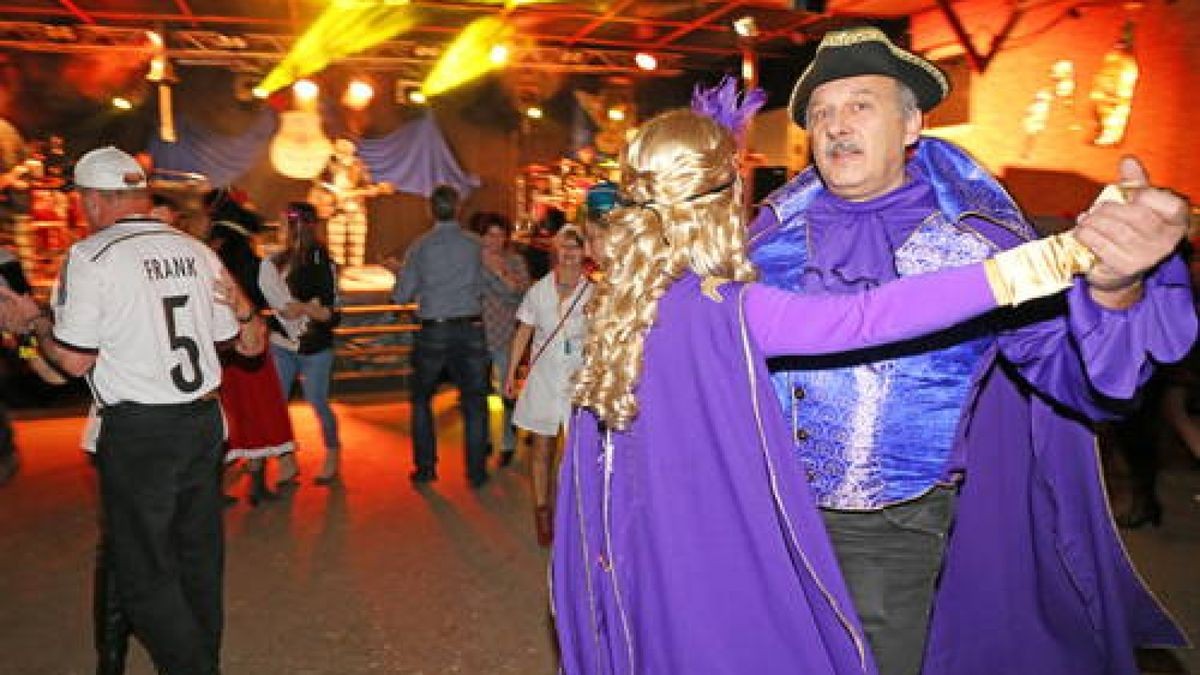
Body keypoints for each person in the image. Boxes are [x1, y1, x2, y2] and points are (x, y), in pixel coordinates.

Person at [553, 107, 1116, 675]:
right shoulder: (730, 309)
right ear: (724, 201)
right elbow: (866, 319)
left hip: (644, 557)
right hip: (719, 552)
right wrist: (1051, 258)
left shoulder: (618, 309)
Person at [749, 27, 1193, 675]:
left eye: (858, 105)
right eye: (820, 114)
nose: (835, 125)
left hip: (892, 528)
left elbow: (1073, 376)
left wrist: (1116, 287)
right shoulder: (764, 244)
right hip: (765, 511)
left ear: (911, 125)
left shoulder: (976, 245)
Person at [0, 146, 263, 675]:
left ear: (93, 200)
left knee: (142, 574)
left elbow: (72, 363)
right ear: (139, 194)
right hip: (202, 421)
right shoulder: (194, 250)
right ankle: (195, 657)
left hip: (143, 430)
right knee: (197, 562)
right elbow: (230, 339)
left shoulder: (91, 256)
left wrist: (31, 326)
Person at [392, 184, 490, 488]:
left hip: (433, 328)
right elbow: (488, 284)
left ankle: (425, 468)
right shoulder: (475, 244)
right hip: (470, 326)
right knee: (475, 401)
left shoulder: (420, 247)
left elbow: (402, 295)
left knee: (421, 399)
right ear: (458, 208)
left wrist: (401, 277)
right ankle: (476, 472)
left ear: (429, 210)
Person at [206, 193, 300, 504]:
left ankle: (214, 488)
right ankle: (258, 485)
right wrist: (297, 334)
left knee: (223, 417)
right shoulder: (260, 267)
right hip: (252, 349)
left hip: (215, 352)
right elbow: (282, 305)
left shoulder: (205, 263)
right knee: (258, 413)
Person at [504, 226, 592, 546]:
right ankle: (542, 510)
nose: (569, 254)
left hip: (576, 380)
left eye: (575, 248)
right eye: (563, 248)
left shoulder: (593, 294)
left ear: (585, 253)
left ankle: (571, 510)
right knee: (541, 447)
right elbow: (523, 333)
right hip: (543, 377)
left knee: (574, 450)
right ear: (554, 252)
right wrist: (512, 371)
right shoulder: (538, 291)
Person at [267, 202, 343, 486]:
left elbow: (331, 313)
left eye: (283, 223)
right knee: (277, 403)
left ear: (296, 226)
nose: (278, 229)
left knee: (317, 401)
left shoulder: (324, 263)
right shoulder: (276, 261)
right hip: (281, 344)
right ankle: (286, 458)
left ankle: (333, 452)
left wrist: (304, 308)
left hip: (315, 347)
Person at [470, 211, 530, 467]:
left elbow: (523, 294)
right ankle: (482, 439)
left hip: (506, 334)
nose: (495, 240)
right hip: (476, 334)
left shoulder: (514, 261)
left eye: (500, 235)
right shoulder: (471, 262)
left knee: (506, 392)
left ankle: (507, 440)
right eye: (489, 235)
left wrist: (499, 274)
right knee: (477, 393)